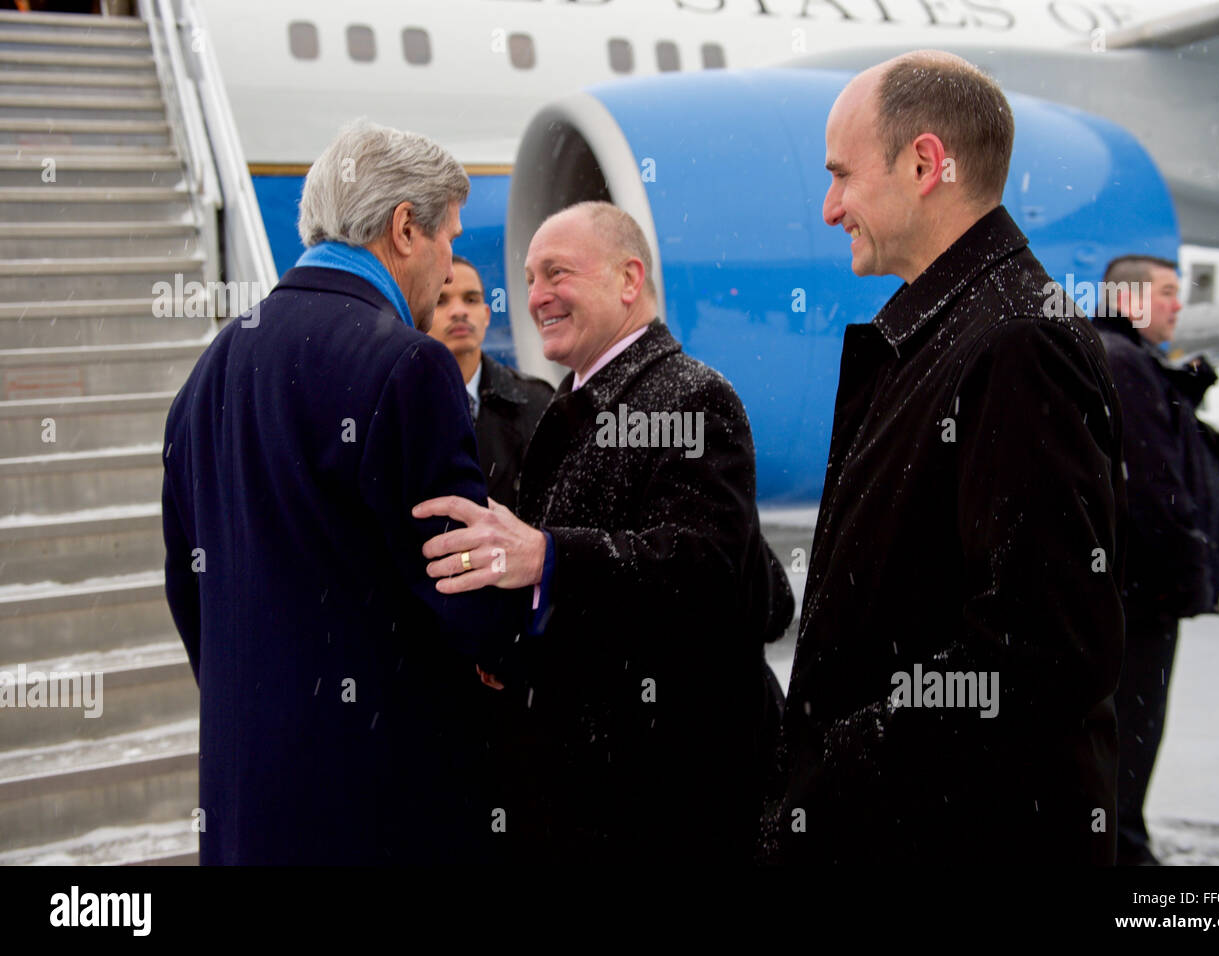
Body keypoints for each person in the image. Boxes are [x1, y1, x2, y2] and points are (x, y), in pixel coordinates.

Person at [760, 51, 1127, 865]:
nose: (829, 208)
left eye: (842, 176)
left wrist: (847, 765)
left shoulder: (1016, 343)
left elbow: (1046, 643)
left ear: (926, 164)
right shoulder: (951, 330)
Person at [161, 120, 526, 864]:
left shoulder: (208, 374)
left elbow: (187, 587)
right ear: (403, 230)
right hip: (382, 812)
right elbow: (467, 595)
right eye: (449, 239)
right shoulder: (408, 366)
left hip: (249, 811)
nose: (452, 260)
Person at [413, 201, 794, 862]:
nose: (536, 298)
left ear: (627, 280)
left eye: (556, 273)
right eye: (530, 279)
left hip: (671, 802)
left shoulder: (688, 396)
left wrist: (547, 556)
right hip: (600, 794)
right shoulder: (576, 402)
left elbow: (703, 570)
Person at [1093, 254, 1219, 865]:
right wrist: (1183, 580)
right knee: (1128, 743)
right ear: (1130, 300)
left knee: (1124, 744)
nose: (1180, 304)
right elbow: (1153, 493)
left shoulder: (1130, 360)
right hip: (1142, 601)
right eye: (1168, 292)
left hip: (1138, 595)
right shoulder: (1123, 363)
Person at [427, 255, 554, 509]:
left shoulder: (537, 403)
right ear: (418, 312)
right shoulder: (396, 408)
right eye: (441, 301)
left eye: (471, 299)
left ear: (486, 315)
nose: (460, 311)